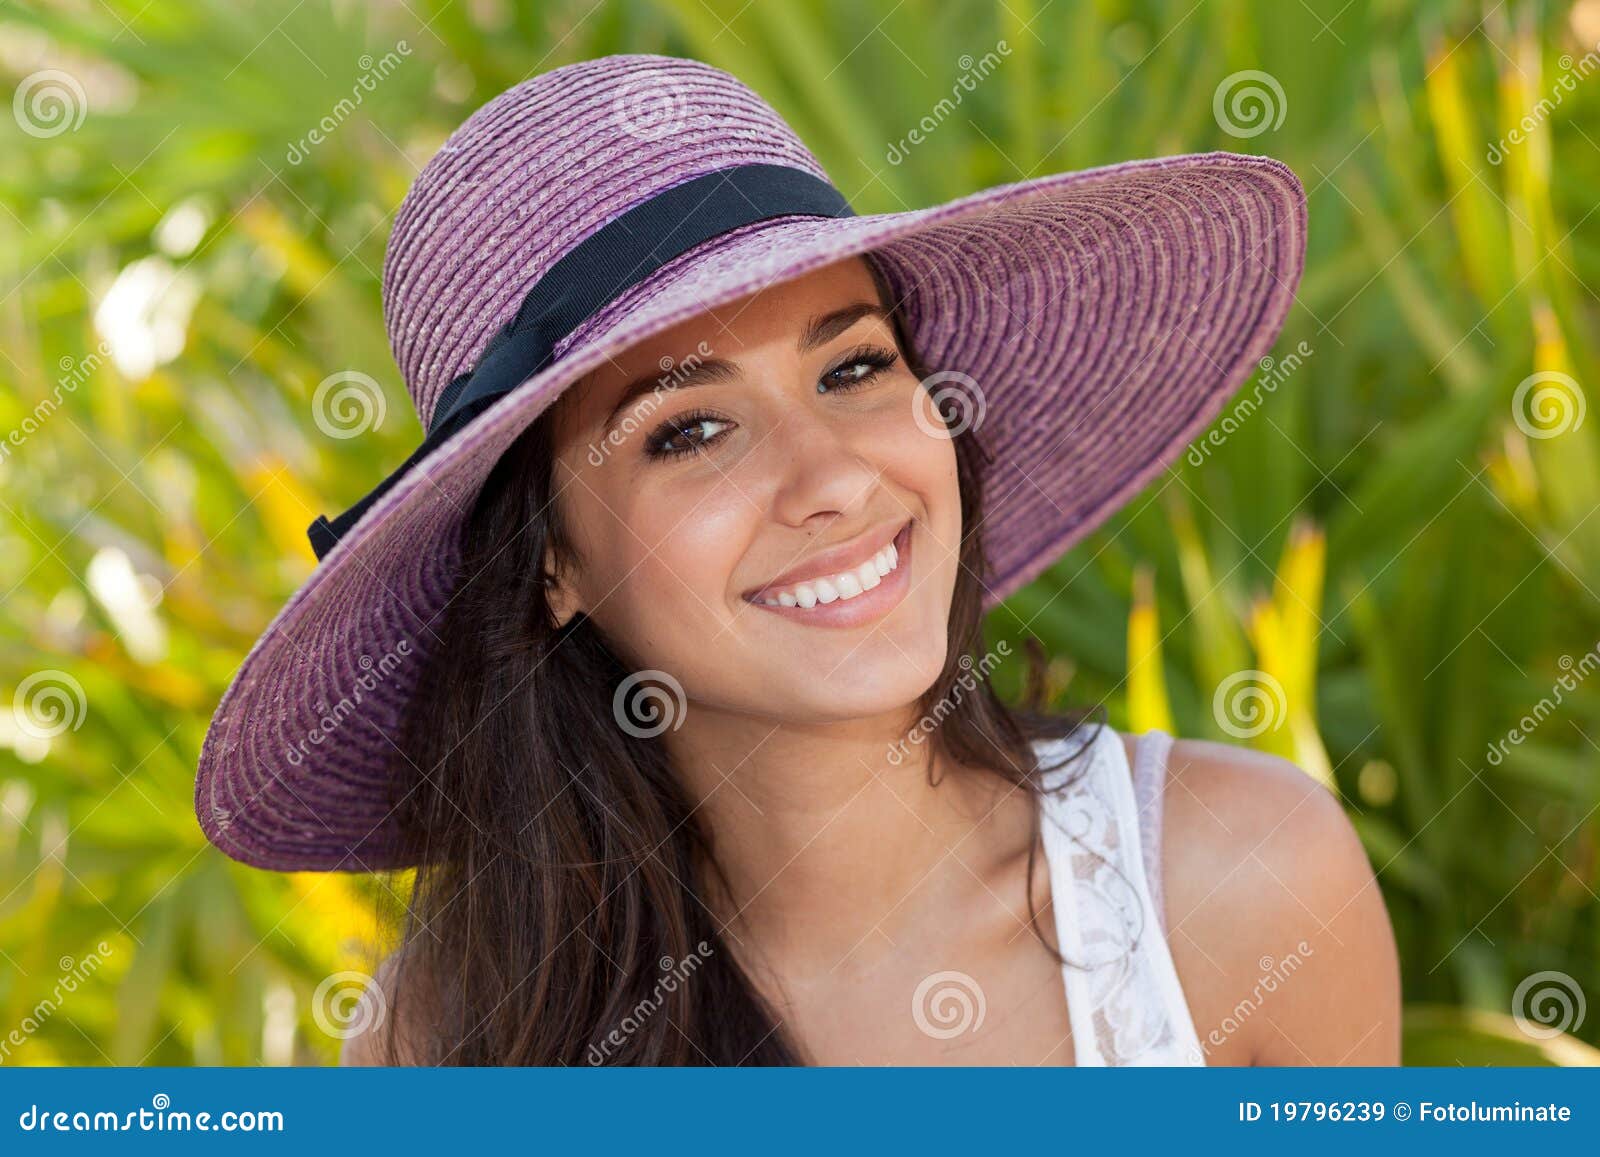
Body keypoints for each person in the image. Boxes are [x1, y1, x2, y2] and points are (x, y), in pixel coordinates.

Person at [195, 54, 1399, 1067]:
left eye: (854, 367)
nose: (830, 479)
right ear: (551, 563)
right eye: (692, 431)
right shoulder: (449, 1033)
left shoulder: (1239, 886)